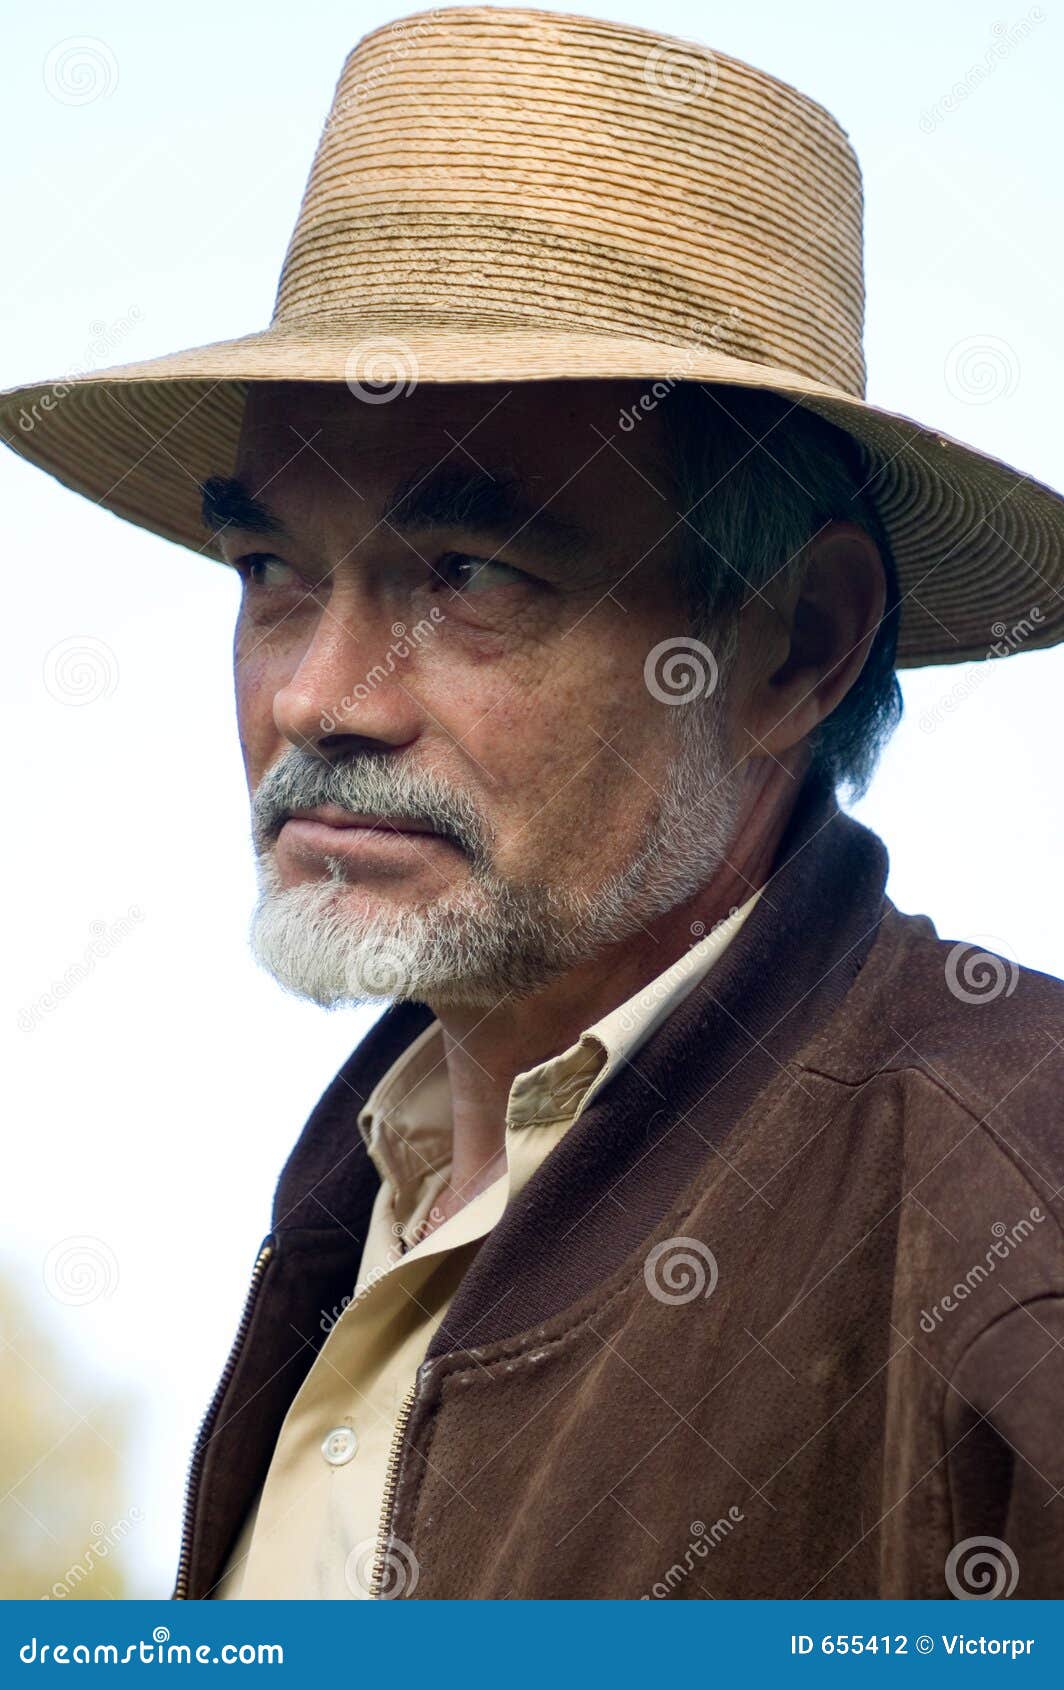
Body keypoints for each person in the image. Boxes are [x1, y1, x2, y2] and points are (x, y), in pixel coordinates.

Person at [4, 7, 1063, 1602]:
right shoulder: (354, 1207)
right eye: (274, 570)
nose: (319, 695)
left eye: (471, 572)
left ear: (798, 645)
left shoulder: (1012, 1197)